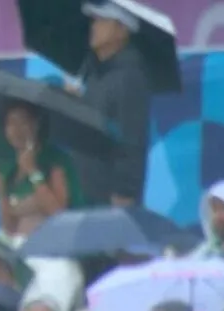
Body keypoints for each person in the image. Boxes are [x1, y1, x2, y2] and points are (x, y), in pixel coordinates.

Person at [76, 1, 153, 207]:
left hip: (112, 197)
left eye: (102, 21)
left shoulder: (130, 77)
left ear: (122, 30)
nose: (94, 26)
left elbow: (132, 137)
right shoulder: (93, 74)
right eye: (94, 20)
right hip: (85, 191)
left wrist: (125, 191)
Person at [0, 101, 82, 239]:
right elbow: (9, 228)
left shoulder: (56, 160)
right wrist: (1, 190)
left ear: (36, 124)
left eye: (22, 122)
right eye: (10, 123)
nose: (16, 130)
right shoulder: (10, 171)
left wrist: (33, 172)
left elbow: (58, 213)